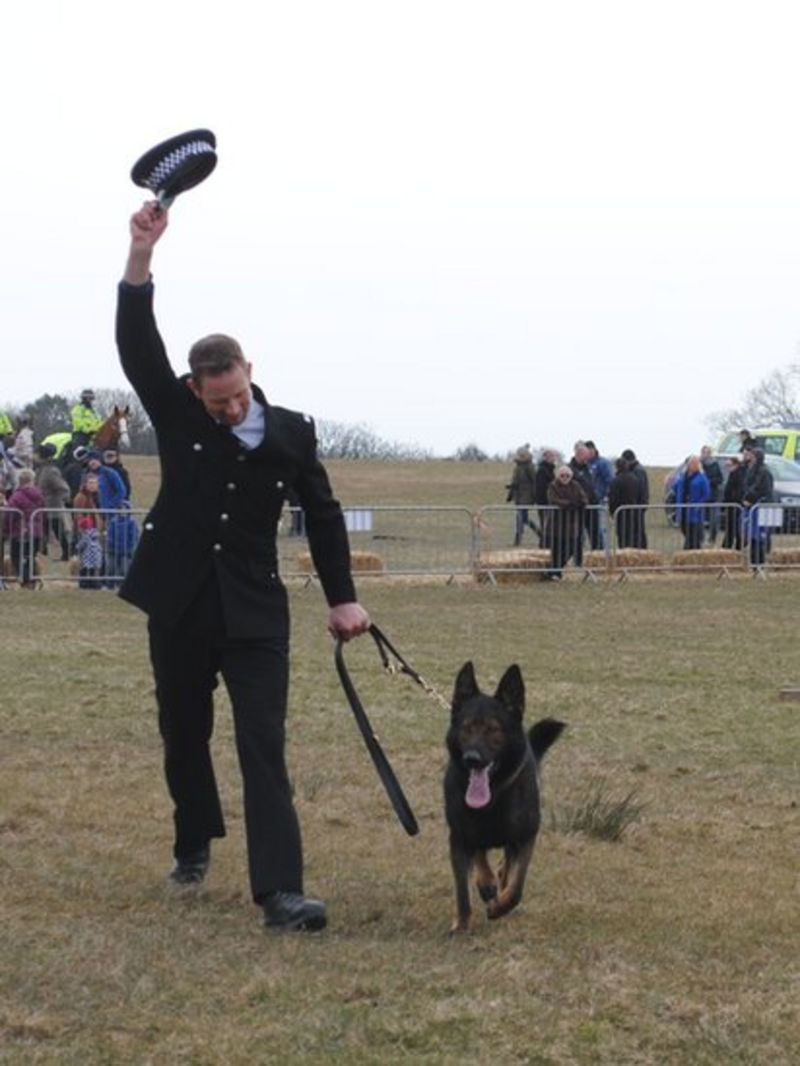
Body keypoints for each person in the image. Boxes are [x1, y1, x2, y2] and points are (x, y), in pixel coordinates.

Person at [116, 200, 370, 934]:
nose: (227, 410)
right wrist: (141, 257)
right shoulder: (178, 413)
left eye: (235, 396)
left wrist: (343, 598)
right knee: (183, 731)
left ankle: (280, 892)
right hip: (179, 602)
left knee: (263, 742)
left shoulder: (293, 433)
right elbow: (137, 345)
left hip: (256, 610)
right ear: (194, 390)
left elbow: (323, 514)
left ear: (250, 374)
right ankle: (193, 841)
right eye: (215, 401)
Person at [4, 469, 45, 587]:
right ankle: (31, 579)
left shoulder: (17, 496)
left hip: (20, 531)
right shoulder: (39, 495)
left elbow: (10, 514)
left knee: (16, 556)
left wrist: (6, 529)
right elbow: (44, 511)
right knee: (30, 557)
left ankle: (26, 580)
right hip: (36, 531)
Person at [545, 464, 587, 578]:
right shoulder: (553, 486)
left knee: (570, 549)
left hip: (572, 525)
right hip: (556, 524)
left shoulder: (576, 485)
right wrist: (569, 504)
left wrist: (579, 504)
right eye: (562, 475)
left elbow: (583, 499)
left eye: (567, 475)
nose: (565, 478)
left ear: (571, 476)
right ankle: (555, 572)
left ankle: (553, 571)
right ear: (558, 476)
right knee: (557, 550)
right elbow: (553, 499)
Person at [36, 443, 71, 561]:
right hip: (43, 507)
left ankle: (67, 553)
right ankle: (42, 552)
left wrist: (63, 499)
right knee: (43, 531)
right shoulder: (42, 469)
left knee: (58, 532)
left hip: (52, 507)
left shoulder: (51, 471)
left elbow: (63, 487)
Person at [742, 447, 775, 568]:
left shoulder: (764, 472)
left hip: (761, 506)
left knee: (760, 537)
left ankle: (759, 563)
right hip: (752, 506)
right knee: (752, 536)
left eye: (752, 457)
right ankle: (754, 562)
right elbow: (748, 486)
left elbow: (762, 489)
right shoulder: (752, 470)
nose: (750, 459)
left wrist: (751, 499)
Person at [568, 442, 596, 563]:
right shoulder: (570, 469)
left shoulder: (588, 468)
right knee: (577, 536)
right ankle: (578, 561)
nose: (588, 458)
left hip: (591, 507)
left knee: (594, 534)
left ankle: (596, 559)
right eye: (586, 455)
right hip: (577, 508)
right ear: (579, 455)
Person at [674, 456, 710, 549]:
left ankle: (691, 551)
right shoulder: (683, 476)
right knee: (686, 532)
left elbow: (706, 494)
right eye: (691, 463)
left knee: (693, 536)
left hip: (695, 512)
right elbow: (676, 487)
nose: (692, 465)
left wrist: (699, 504)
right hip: (683, 510)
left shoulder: (702, 478)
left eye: (695, 463)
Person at [506, 445, 538, 546]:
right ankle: (539, 532)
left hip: (526, 497)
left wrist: (534, 496)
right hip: (518, 496)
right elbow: (515, 481)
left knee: (520, 517)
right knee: (523, 518)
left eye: (523, 454)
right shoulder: (517, 467)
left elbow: (534, 482)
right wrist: (510, 493)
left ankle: (518, 539)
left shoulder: (530, 466)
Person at [608, 457, 642, 548]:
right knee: (633, 538)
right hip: (634, 513)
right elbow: (640, 495)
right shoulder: (635, 479)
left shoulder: (616, 481)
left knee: (622, 539)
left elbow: (612, 498)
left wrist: (612, 512)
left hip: (621, 514)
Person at [584, 440, 612, 548]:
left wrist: (605, 496)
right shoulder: (585, 465)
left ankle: (602, 551)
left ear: (594, 450)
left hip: (599, 502)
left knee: (600, 529)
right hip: (586, 502)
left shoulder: (602, 463)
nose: (588, 453)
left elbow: (609, 480)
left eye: (590, 451)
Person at [621, 448, 649, 547]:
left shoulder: (638, 471)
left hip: (637, 506)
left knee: (638, 532)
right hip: (638, 506)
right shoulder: (637, 470)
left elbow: (639, 489)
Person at [721, 455, 746, 550]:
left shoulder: (738, 475)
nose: (728, 468)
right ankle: (728, 546)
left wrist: (732, 500)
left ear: (736, 465)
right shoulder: (733, 474)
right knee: (731, 528)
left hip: (735, 505)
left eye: (730, 465)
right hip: (731, 505)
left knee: (734, 528)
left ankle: (736, 546)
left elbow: (738, 491)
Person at [700, 445, 724, 544]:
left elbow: (720, 479)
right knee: (700, 519)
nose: (705, 454)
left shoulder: (715, 465)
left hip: (714, 495)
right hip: (701, 496)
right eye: (704, 452)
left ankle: (712, 538)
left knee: (714, 519)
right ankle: (701, 538)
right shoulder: (699, 464)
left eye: (707, 452)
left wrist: (709, 481)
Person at [534, 448, 558, 547]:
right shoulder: (542, 471)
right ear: (546, 457)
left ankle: (548, 544)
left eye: (554, 456)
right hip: (545, 503)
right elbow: (542, 488)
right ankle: (544, 545)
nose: (554, 458)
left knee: (549, 526)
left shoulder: (550, 470)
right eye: (551, 456)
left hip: (549, 503)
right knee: (546, 526)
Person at [74, 515, 103, 589]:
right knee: (95, 572)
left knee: (86, 571)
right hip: (97, 556)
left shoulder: (86, 535)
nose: (79, 530)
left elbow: (81, 544)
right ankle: (96, 584)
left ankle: (85, 584)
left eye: (80, 528)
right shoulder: (94, 533)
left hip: (89, 557)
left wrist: (76, 547)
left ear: (83, 528)